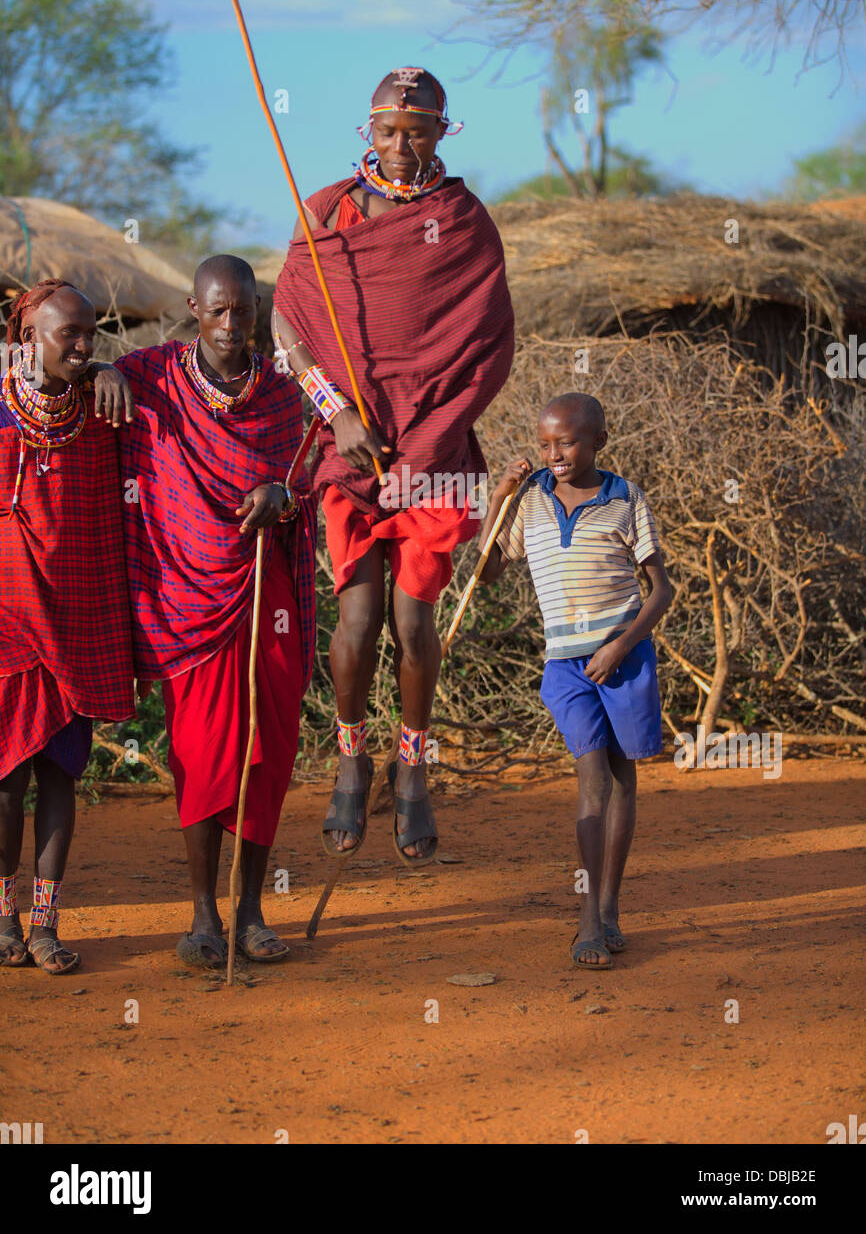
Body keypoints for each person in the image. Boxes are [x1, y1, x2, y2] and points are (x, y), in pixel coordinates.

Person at [273, 65, 514, 866]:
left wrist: (430, 441)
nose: (401, 145)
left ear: (444, 131)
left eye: (417, 131)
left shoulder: (464, 221)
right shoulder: (327, 210)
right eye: (388, 131)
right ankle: (350, 760)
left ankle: (413, 768)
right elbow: (286, 322)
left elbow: (488, 347)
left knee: (413, 623)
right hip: (347, 449)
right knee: (357, 620)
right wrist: (335, 412)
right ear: (367, 131)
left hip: (432, 455)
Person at [112, 256, 317, 967]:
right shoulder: (150, 378)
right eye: (219, 309)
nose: (232, 324)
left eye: (244, 310)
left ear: (258, 311)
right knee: (200, 755)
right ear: (192, 308)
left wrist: (281, 497)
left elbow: (304, 488)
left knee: (269, 750)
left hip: (264, 593)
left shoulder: (282, 396)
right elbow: (83, 378)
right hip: (186, 599)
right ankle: (204, 914)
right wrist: (102, 371)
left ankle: (252, 911)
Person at [478, 392, 672, 969]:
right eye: (545, 444)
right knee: (593, 779)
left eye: (565, 443)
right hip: (565, 665)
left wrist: (620, 646)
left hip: (623, 656)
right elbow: (487, 572)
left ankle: (609, 907)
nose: (554, 454)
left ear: (598, 442)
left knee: (623, 779)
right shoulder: (532, 498)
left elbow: (662, 590)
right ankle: (588, 920)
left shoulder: (625, 499)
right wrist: (499, 497)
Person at [0, 280, 135, 974]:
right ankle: (3, 918)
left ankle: (46, 924)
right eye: (69, 334)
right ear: (29, 339)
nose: (84, 345)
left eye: (92, 334)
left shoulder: (100, 410)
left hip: (78, 614)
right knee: (5, 779)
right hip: (7, 619)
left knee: (60, 775)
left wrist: (106, 369)